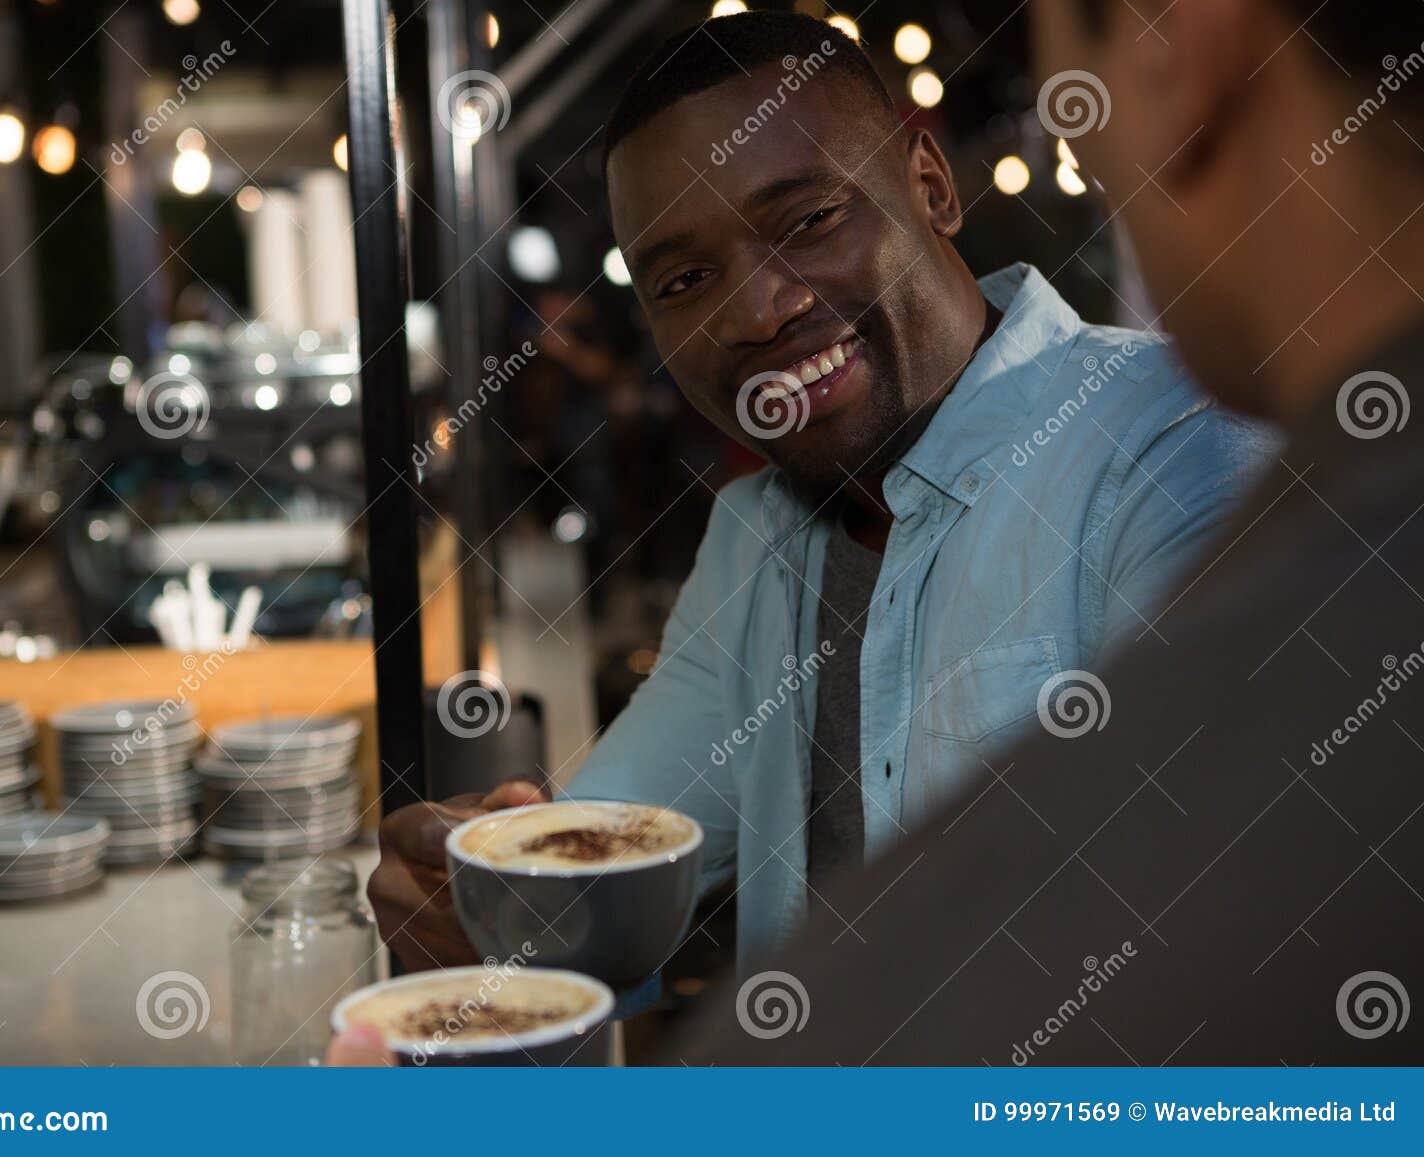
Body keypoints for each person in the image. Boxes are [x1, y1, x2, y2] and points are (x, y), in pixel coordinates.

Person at [368, 11, 1268, 980]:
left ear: (930, 187)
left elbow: (1223, 976)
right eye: (685, 278)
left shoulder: (1173, 452)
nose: (761, 309)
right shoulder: (752, 538)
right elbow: (610, 872)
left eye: (807, 221)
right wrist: (482, 894)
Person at [677, 0, 1424, 1064]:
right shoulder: (756, 532)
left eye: (1064, 82)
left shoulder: (1196, 468)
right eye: (682, 278)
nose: (1076, 145)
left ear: (1180, 48)